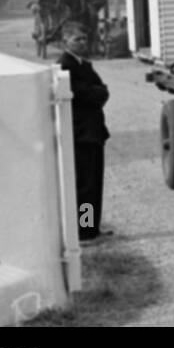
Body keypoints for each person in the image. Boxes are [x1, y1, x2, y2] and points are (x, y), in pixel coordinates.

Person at [57, 21, 112, 242]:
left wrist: (96, 92)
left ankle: (92, 228)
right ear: (65, 42)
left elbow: (101, 91)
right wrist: (96, 92)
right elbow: (89, 94)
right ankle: (85, 232)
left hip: (93, 133)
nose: (82, 43)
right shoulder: (65, 66)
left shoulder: (83, 64)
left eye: (84, 38)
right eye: (77, 39)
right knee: (86, 187)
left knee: (94, 185)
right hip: (82, 135)